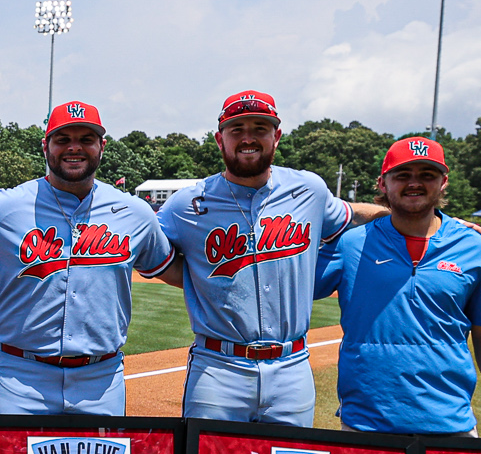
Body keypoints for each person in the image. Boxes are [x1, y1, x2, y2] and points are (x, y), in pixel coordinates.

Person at [155, 91, 388, 426]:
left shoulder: (309, 189)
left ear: (276, 137)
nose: (248, 138)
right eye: (237, 130)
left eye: (260, 128)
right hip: (217, 368)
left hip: (291, 368)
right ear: (220, 140)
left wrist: (434, 221)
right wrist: (194, 278)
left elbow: (352, 215)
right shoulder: (185, 205)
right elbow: (145, 247)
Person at [0, 101, 175, 415]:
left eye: (85, 139)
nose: (74, 148)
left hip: (101, 379)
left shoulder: (135, 213)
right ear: (45, 145)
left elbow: (173, 268)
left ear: (102, 146)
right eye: (63, 139)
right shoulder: (4, 207)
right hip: (20, 379)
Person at [316, 137, 481, 438]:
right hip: (365, 423)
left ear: (443, 182)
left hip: (451, 423)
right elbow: (289, 285)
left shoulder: (474, 247)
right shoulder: (350, 245)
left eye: (427, 175)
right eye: (402, 175)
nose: (415, 183)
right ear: (382, 184)